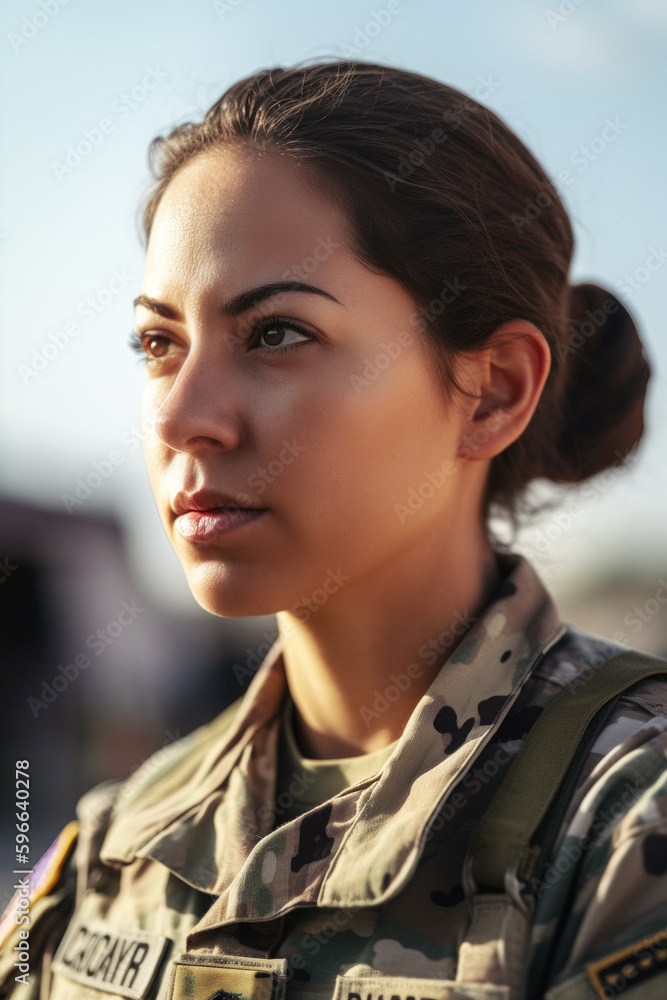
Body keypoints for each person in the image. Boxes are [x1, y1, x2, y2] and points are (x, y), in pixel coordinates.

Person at [1, 60, 666, 1000]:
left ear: (492, 390)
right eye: (159, 344)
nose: (182, 415)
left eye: (274, 334)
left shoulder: (622, 830)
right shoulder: (116, 845)